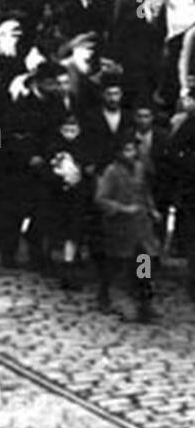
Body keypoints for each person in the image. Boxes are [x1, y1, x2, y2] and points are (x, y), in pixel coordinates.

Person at [94, 133, 160, 321]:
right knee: (116, 265)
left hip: (141, 226)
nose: (132, 154)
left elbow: (145, 192)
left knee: (144, 263)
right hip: (120, 228)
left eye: (133, 150)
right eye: (127, 150)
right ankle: (106, 296)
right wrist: (122, 208)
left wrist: (152, 209)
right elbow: (101, 199)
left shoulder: (140, 168)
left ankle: (145, 303)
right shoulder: (111, 172)